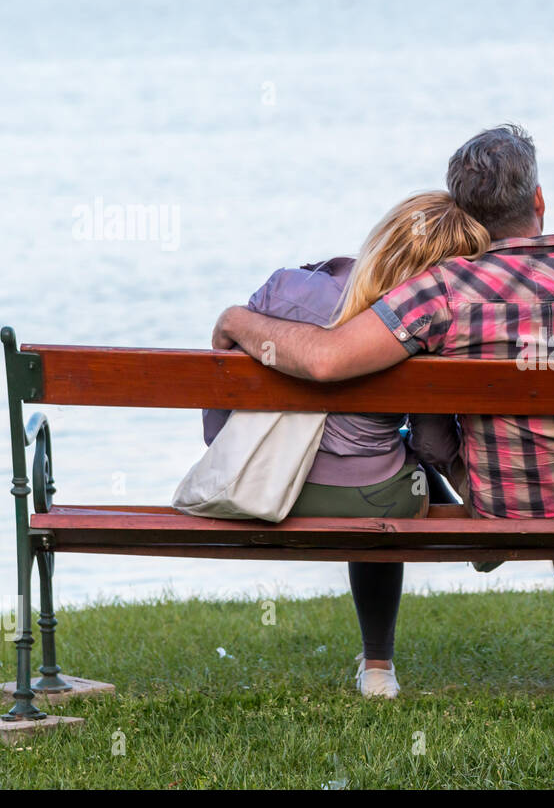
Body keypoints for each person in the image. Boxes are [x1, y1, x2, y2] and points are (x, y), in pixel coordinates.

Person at [212, 125, 554, 694]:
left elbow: (325, 361)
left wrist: (236, 320)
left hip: (507, 506)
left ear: (463, 215)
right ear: (538, 201)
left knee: (525, 455)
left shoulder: (443, 289)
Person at [206, 191, 487, 699]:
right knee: (397, 465)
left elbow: (222, 392)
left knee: (388, 458)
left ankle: (466, 529)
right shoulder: (429, 322)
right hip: (374, 499)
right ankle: (378, 666)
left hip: (270, 489)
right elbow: (431, 440)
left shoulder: (284, 290)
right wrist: (462, 476)